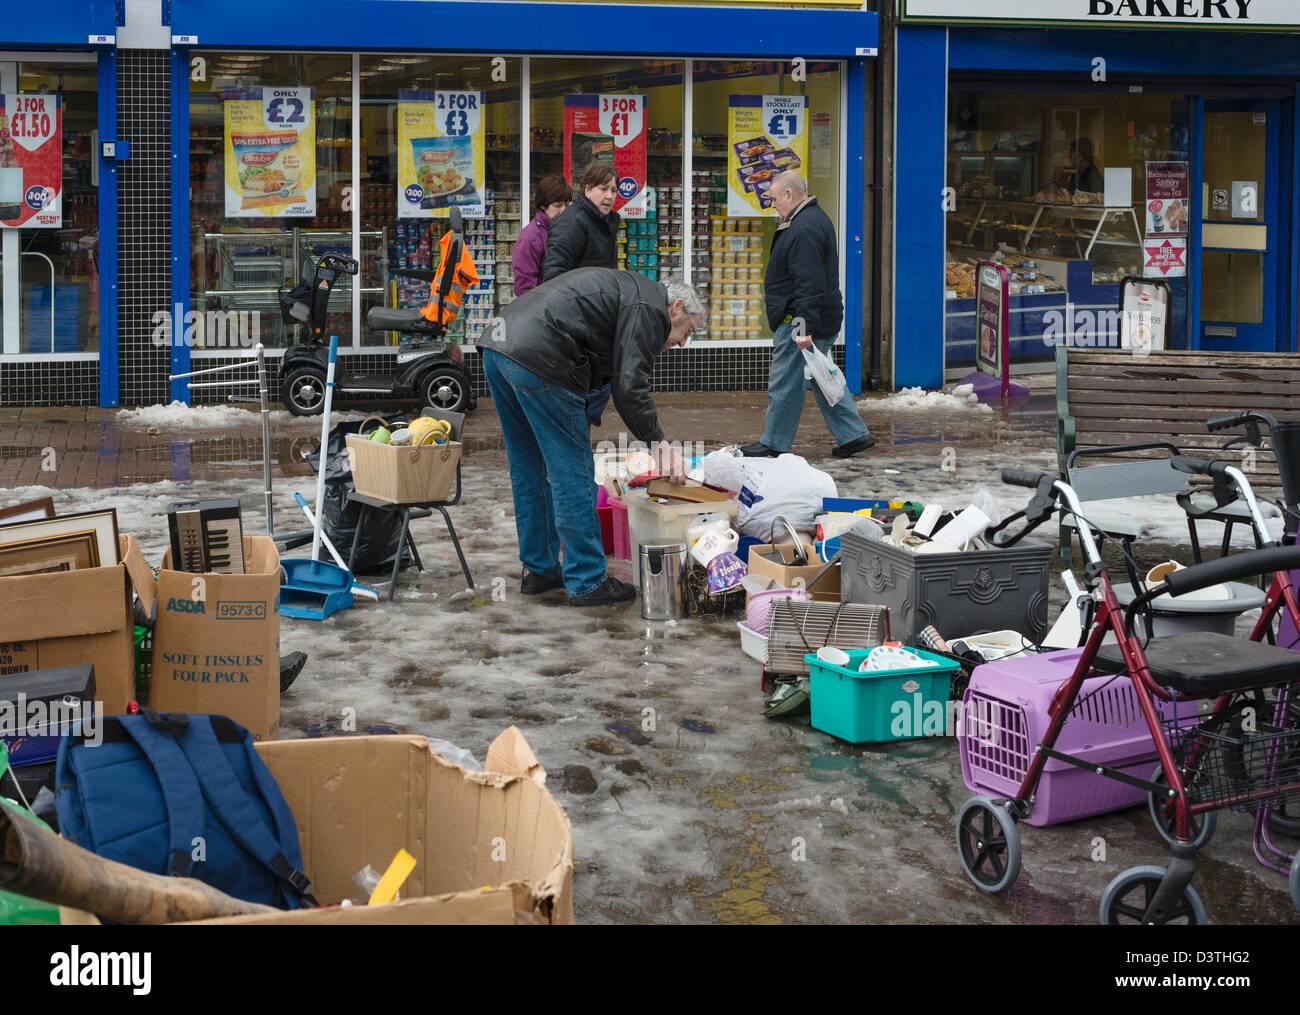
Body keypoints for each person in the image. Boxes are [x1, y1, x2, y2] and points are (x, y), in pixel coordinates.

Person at [480, 269, 702, 606]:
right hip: (541, 357)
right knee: (574, 472)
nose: (684, 342)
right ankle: (587, 580)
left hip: (499, 350)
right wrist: (659, 443)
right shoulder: (651, 308)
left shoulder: (631, 294)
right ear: (677, 307)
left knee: (528, 467)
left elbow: (607, 373)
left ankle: (539, 569)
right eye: (690, 330)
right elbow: (629, 385)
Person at [739, 170, 874, 459]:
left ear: (789, 194)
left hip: (800, 321)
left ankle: (774, 442)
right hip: (819, 317)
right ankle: (854, 435)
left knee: (785, 381)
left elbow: (808, 282)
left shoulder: (803, 228)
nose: (772, 204)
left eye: (774, 199)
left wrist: (802, 327)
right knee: (822, 376)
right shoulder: (812, 219)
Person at [542, 161, 622, 426]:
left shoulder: (603, 223)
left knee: (592, 398)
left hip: (595, 328)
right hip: (575, 333)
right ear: (587, 190)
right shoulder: (572, 223)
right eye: (603, 188)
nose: (610, 195)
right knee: (575, 410)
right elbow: (554, 279)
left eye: (614, 189)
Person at [511, 174, 571, 296]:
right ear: (543, 205)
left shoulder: (570, 228)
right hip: (543, 308)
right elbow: (525, 288)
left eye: (567, 205)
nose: (563, 210)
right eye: (557, 206)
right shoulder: (530, 238)